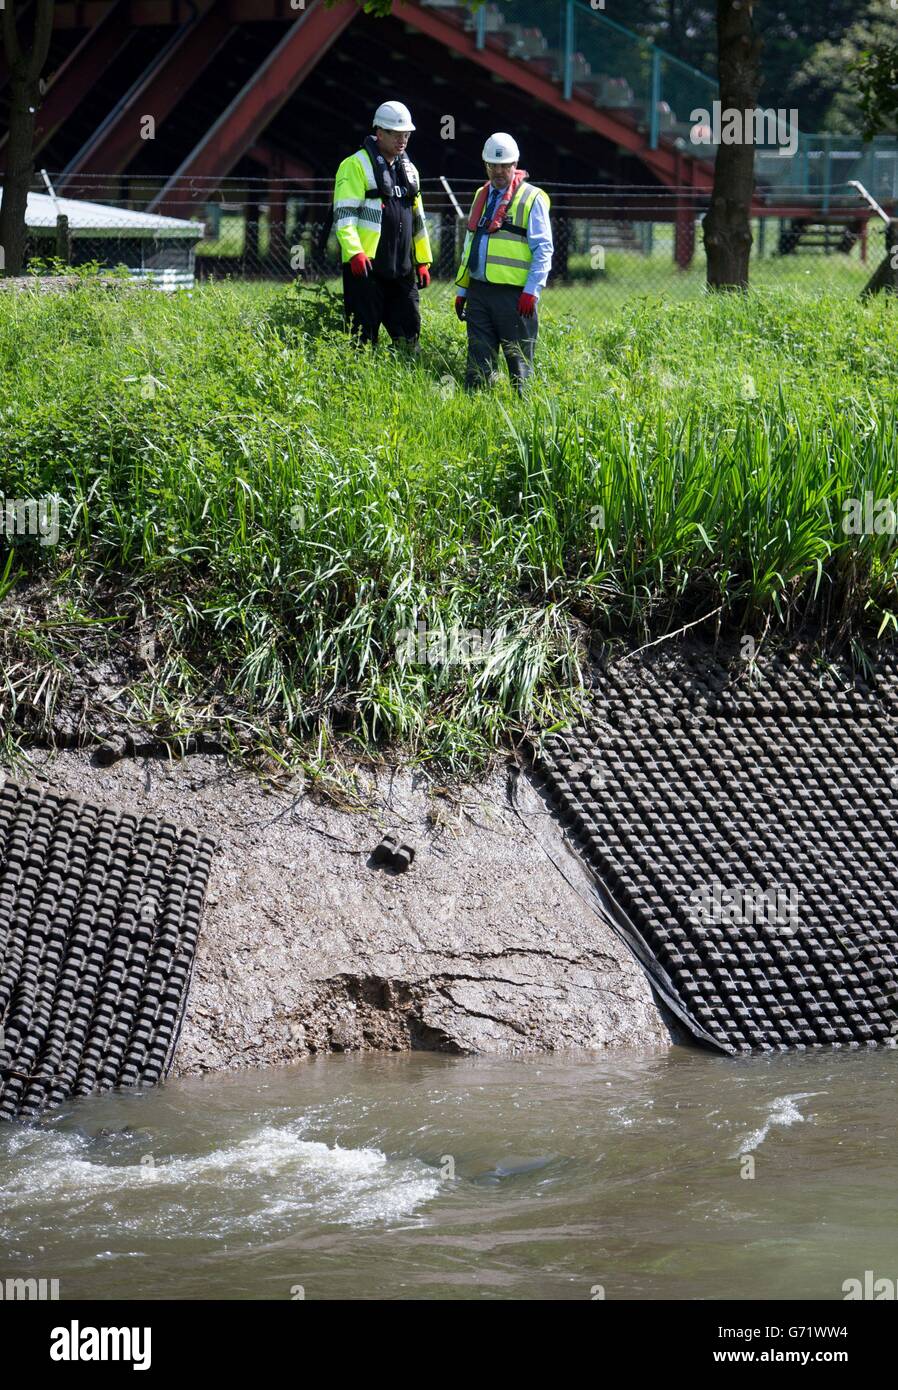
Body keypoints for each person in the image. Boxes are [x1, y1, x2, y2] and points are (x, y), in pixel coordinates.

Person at [455, 133, 553, 393]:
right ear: (485, 165)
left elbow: (544, 248)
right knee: (477, 364)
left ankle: (522, 419)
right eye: (492, 165)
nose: (498, 171)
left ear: (515, 164)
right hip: (479, 292)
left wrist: (532, 290)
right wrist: (463, 290)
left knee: (519, 365)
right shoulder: (481, 194)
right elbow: (470, 246)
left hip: (515, 297)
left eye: (504, 165)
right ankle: (475, 413)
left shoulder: (532, 198)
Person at [333, 100, 433, 351]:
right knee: (362, 340)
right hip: (366, 269)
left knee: (409, 336)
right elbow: (344, 215)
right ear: (379, 132)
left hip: (402, 269)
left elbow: (418, 218)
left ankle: (407, 381)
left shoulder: (410, 170)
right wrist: (355, 252)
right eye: (396, 134)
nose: (403, 140)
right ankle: (361, 383)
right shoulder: (354, 165)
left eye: (407, 135)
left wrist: (422, 261)